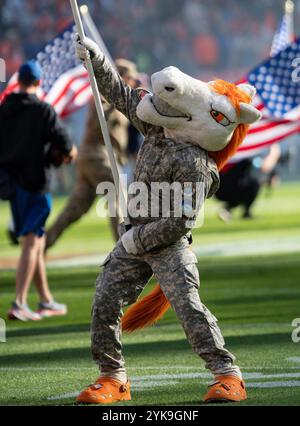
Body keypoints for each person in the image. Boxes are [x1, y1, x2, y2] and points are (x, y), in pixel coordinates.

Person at [74, 37, 261, 404]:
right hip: (135, 237)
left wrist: (134, 240)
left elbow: (178, 223)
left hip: (168, 246)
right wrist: (96, 61)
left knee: (189, 309)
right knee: (104, 301)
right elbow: (122, 94)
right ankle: (113, 378)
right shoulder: (158, 129)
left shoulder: (197, 165)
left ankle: (228, 375)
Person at [0, 60, 77, 321]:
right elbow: (65, 144)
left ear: (18, 81)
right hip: (36, 182)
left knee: (35, 240)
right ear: (38, 82)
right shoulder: (43, 109)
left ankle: (45, 300)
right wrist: (70, 153)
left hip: (12, 184)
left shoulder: (4, 108)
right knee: (33, 242)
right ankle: (19, 302)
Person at [45, 59, 141, 248]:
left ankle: (42, 244)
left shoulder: (123, 101)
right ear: (122, 79)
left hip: (96, 158)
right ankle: (124, 249)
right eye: (131, 79)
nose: (134, 83)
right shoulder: (103, 96)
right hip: (97, 156)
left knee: (75, 209)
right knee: (117, 198)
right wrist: (115, 101)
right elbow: (99, 121)